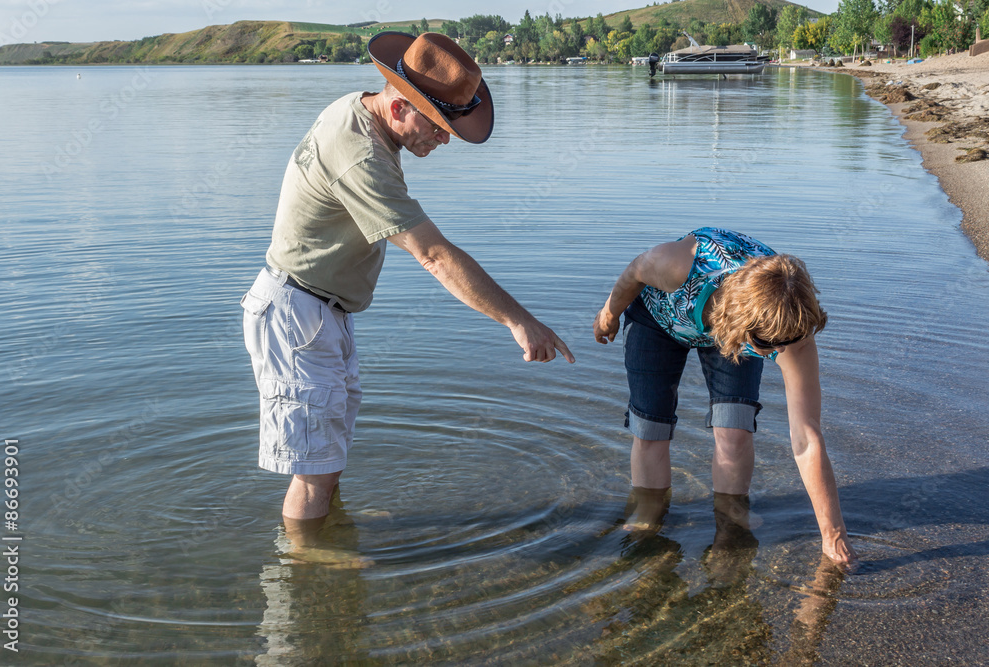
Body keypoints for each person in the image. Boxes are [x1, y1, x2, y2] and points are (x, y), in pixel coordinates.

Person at [241, 32, 574, 525]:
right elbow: (434, 255)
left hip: (318, 311)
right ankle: (308, 564)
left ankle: (329, 533)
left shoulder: (360, 112)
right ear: (398, 108)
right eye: (438, 127)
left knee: (326, 455)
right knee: (312, 469)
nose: (443, 140)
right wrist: (517, 320)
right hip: (297, 314)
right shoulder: (362, 154)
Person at [592, 228, 856, 565]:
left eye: (787, 345)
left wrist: (834, 536)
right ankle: (649, 508)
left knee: (734, 430)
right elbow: (634, 271)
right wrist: (609, 314)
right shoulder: (676, 265)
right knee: (651, 427)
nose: (780, 353)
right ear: (742, 327)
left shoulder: (790, 330)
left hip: (746, 323)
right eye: (769, 348)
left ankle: (731, 513)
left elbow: (807, 439)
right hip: (661, 319)